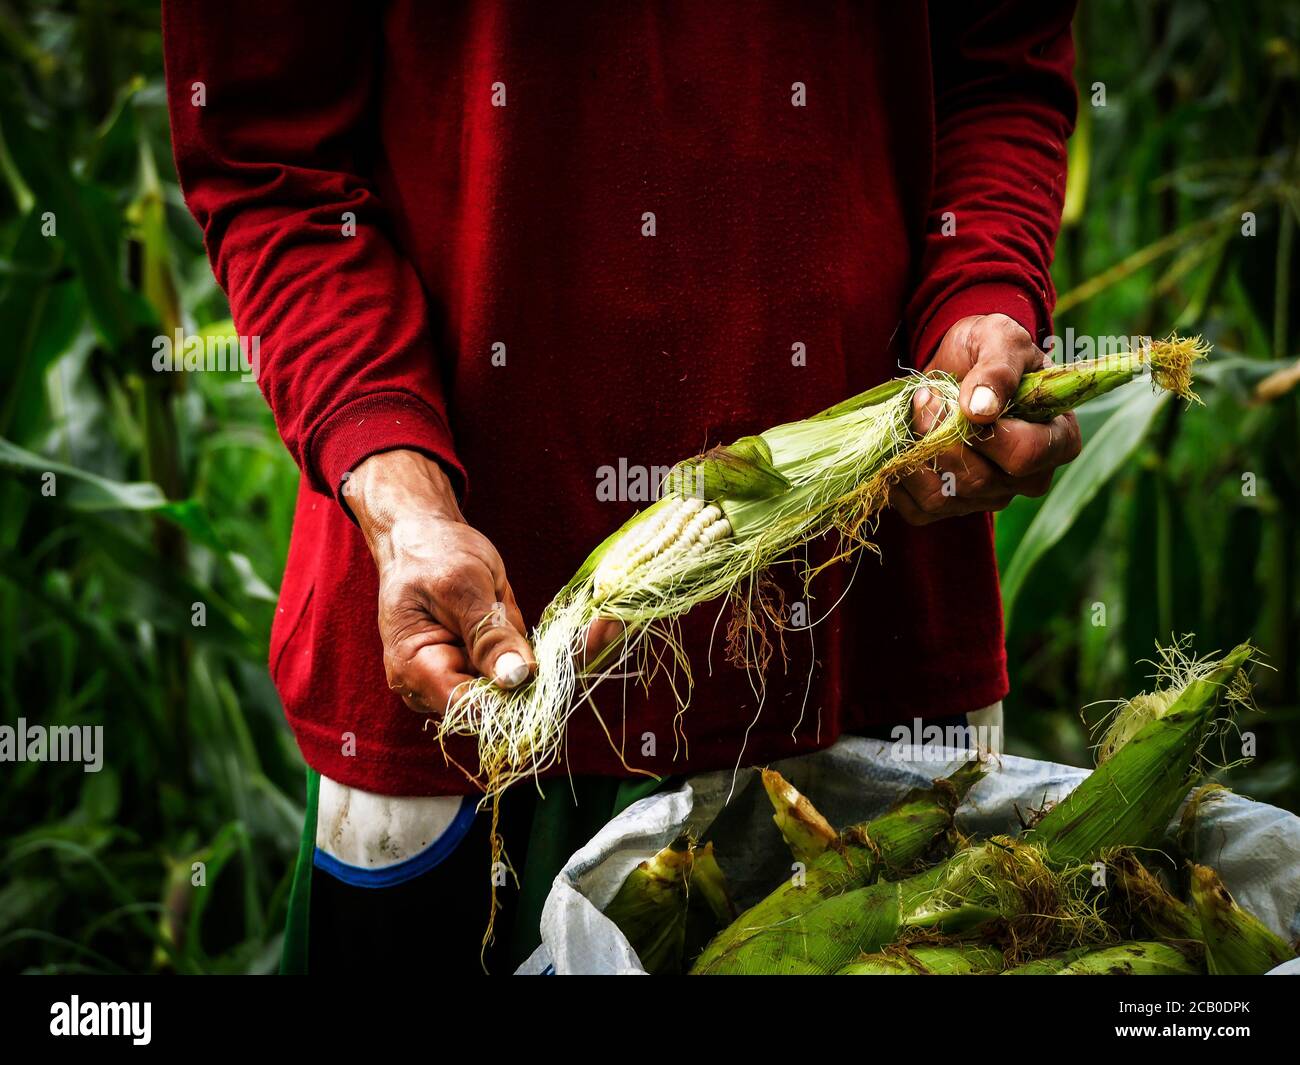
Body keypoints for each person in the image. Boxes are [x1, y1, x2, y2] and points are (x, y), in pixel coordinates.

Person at [163, 0, 1080, 973]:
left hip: (866, 640)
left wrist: (980, 289)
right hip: (457, 676)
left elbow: (997, 69)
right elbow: (267, 152)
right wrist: (401, 495)